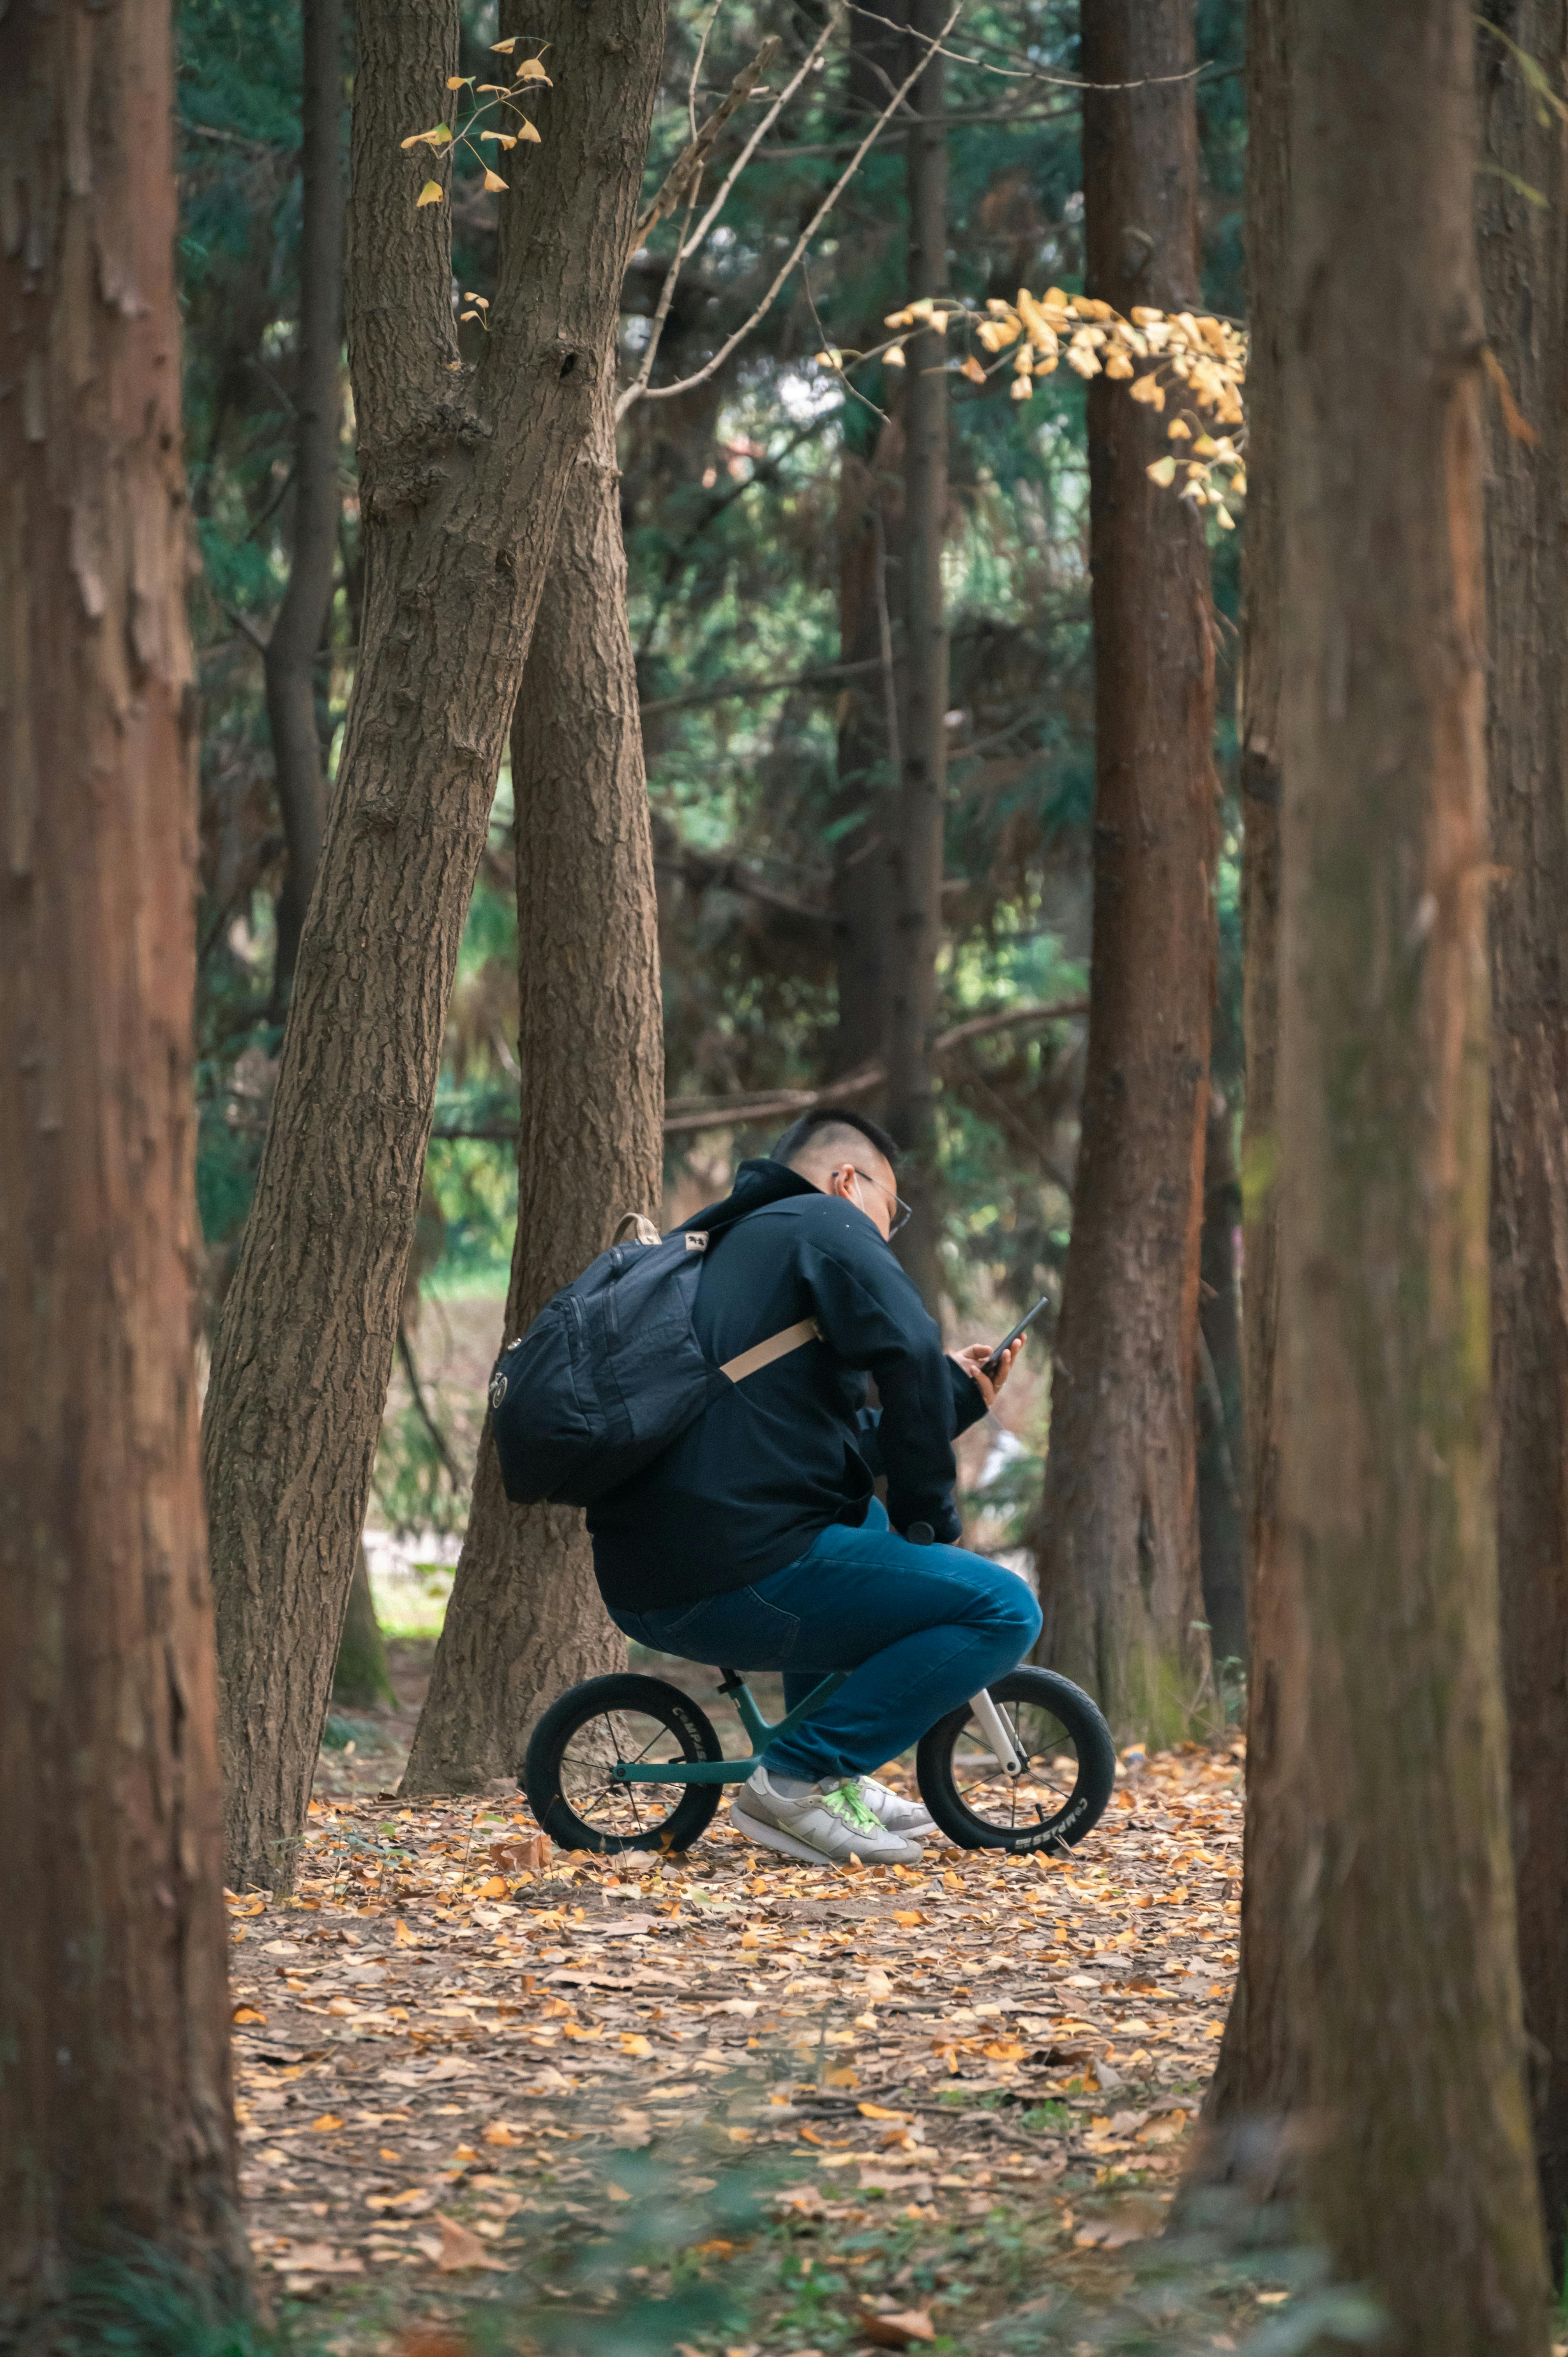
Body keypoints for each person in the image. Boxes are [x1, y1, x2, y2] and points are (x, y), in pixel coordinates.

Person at [588, 1108, 1041, 1867]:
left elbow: (821, 1458)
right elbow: (905, 1349)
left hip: (655, 1577)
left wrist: (956, 1401)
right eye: (886, 1212)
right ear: (843, 1181)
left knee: (851, 1512)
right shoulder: (823, 1224)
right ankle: (794, 1779)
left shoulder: (725, 1247)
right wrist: (929, 1521)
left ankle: (827, 1778)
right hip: (734, 1568)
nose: (885, 1236)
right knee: (1002, 1608)